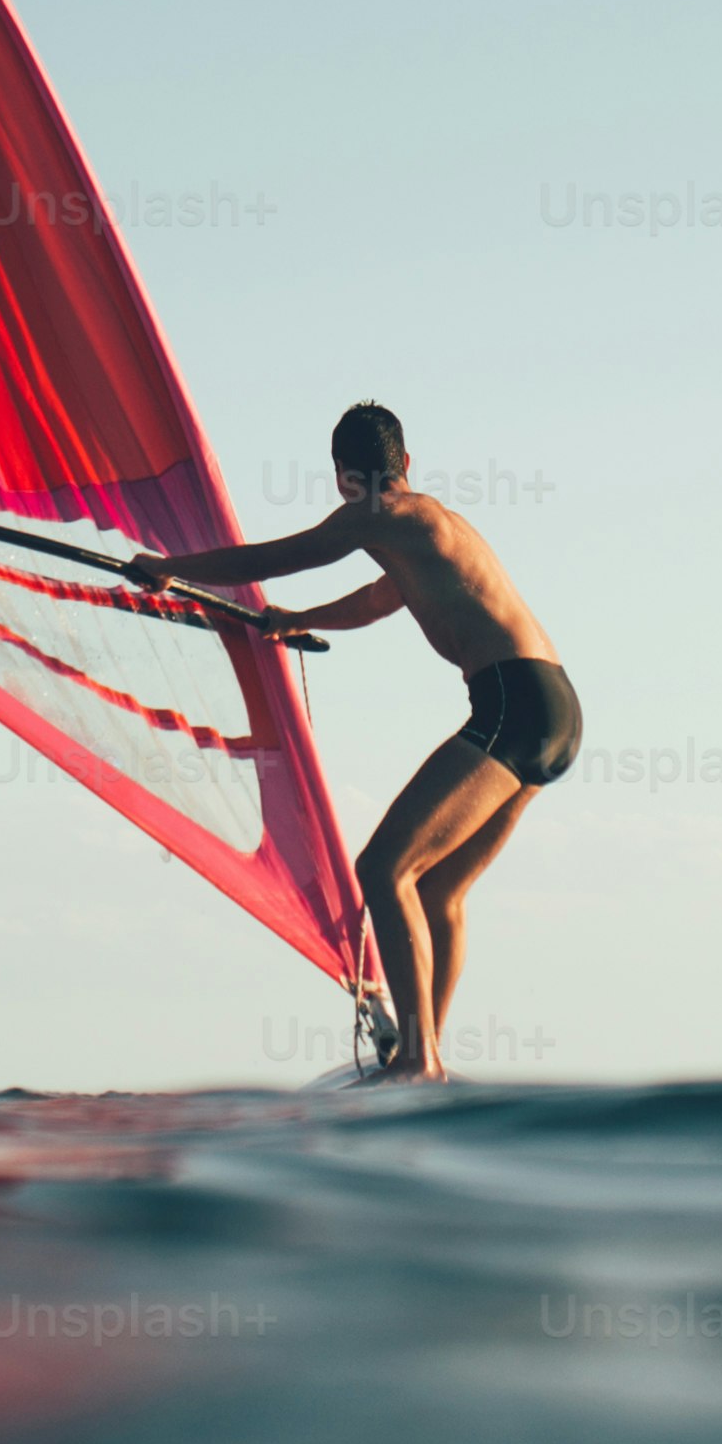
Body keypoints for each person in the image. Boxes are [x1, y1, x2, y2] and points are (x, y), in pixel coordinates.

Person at [126, 405, 573, 1083]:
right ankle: (426, 1058)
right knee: (437, 889)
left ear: (342, 478)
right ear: (407, 461)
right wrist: (297, 620)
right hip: (552, 708)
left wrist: (170, 567)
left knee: (382, 869)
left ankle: (419, 1061)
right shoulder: (427, 523)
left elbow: (273, 557)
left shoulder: (372, 514)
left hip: (511, 703)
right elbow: (374, 600)